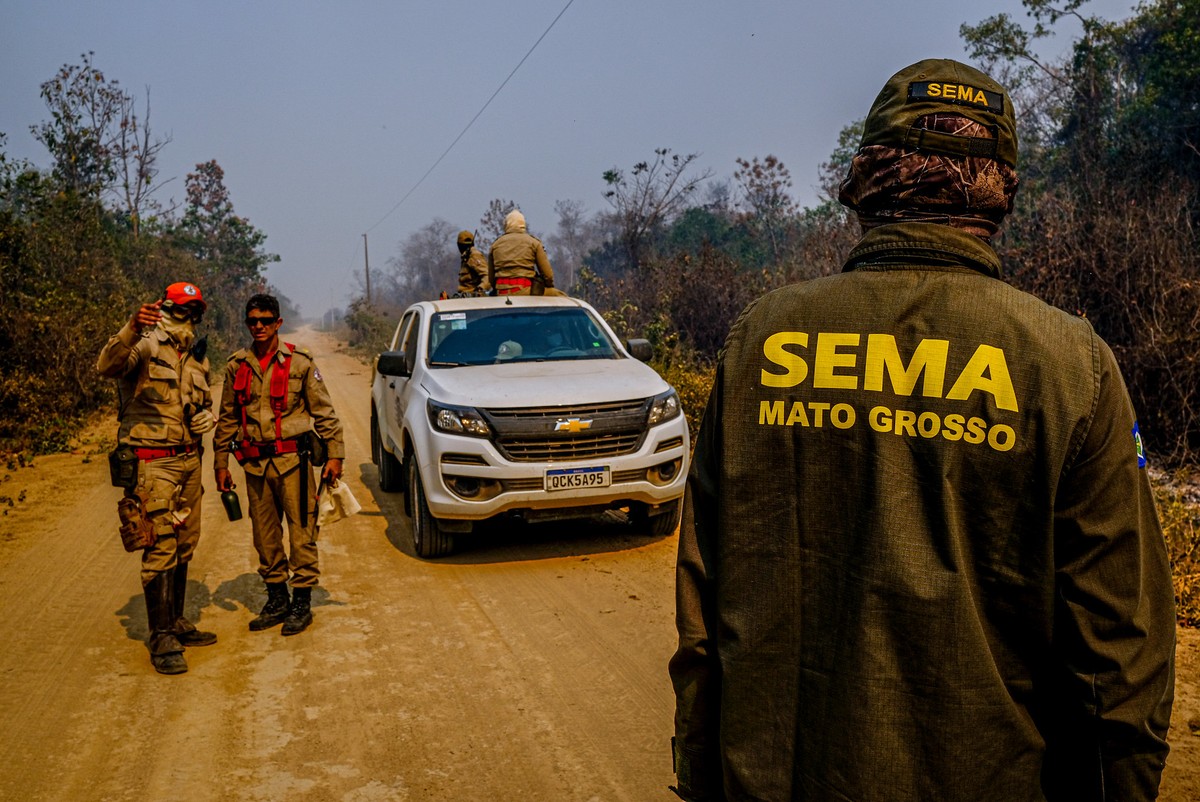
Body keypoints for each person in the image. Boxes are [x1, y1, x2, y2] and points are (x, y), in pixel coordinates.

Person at [669, 59, 1175, 802]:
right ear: (1002, 191)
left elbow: (704, 602)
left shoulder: (763, 339)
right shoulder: (1071, 363)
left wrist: (699, 764)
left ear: (866, 179)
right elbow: (1118, 645)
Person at [97, 282, 217, 675]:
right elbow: (107, 366)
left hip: (189, 461)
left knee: (185, 542)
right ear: (164, 309)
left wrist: (205, 417)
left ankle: (175, 620)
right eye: (181, 309)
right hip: (153, 465)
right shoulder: (145, 344)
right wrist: (132, 326)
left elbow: (201, 402)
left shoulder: (195, 357)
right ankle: (161, 636)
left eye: (194, 312)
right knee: (160, 544)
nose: (188, 318)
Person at [212, 294, 344, 636]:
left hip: (293, 464)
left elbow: (324, 412)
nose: (258, 326)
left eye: (265, 321)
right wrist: (220, 464)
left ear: (278, 323)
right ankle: (276, 599)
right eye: (252, 321)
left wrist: (335, 455)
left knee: (302, 533)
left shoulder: (300, 363)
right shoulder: (237, 366)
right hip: (255, 466)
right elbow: (227, 418)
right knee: (264, 537)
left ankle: (301, 602)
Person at [487, 209, 563, 296]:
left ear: (506, 224)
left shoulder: (495, 245)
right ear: (523, 224)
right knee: (560, 296)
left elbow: (491, 279)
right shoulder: (534, 243)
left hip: (501, 292)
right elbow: (548, 275)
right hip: (525, 290)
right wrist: (549, 286)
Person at [455, 230, 490, 295]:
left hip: (471, 297)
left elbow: (487, 276)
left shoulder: (474, 255)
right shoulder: (465, 257)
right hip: (463, 295)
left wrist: (480, 289)